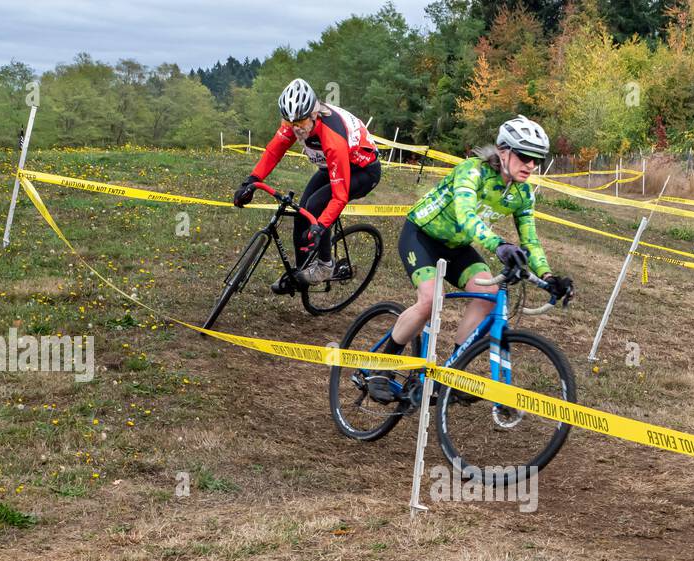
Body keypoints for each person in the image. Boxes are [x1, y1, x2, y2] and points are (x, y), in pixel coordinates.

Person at [380, 115, 573, 368]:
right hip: (422, 236)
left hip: (457, 247)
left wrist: (548, 276)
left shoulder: (523, 193)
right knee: (430, 301)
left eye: (537, 159)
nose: (531, 165)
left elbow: (531, 239)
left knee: (488, 294)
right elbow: (466, 217)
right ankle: (381, 368)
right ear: (504, 151)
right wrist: (499, 244)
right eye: (525, 157)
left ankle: (453, 369)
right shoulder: (472, 171)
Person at [232, 78, 381, 289]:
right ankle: (300, 275)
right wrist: (251, 181)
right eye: (291, 123)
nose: (296, 129)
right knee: (302, 213)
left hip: (363, 170)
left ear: (314, 114)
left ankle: (325, 265)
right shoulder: (294, 121)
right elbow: (274, 150)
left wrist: (319, 226)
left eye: (301, 123)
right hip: (332, 166)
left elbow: (339, 196)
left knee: (315, 206)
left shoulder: (332, 138)